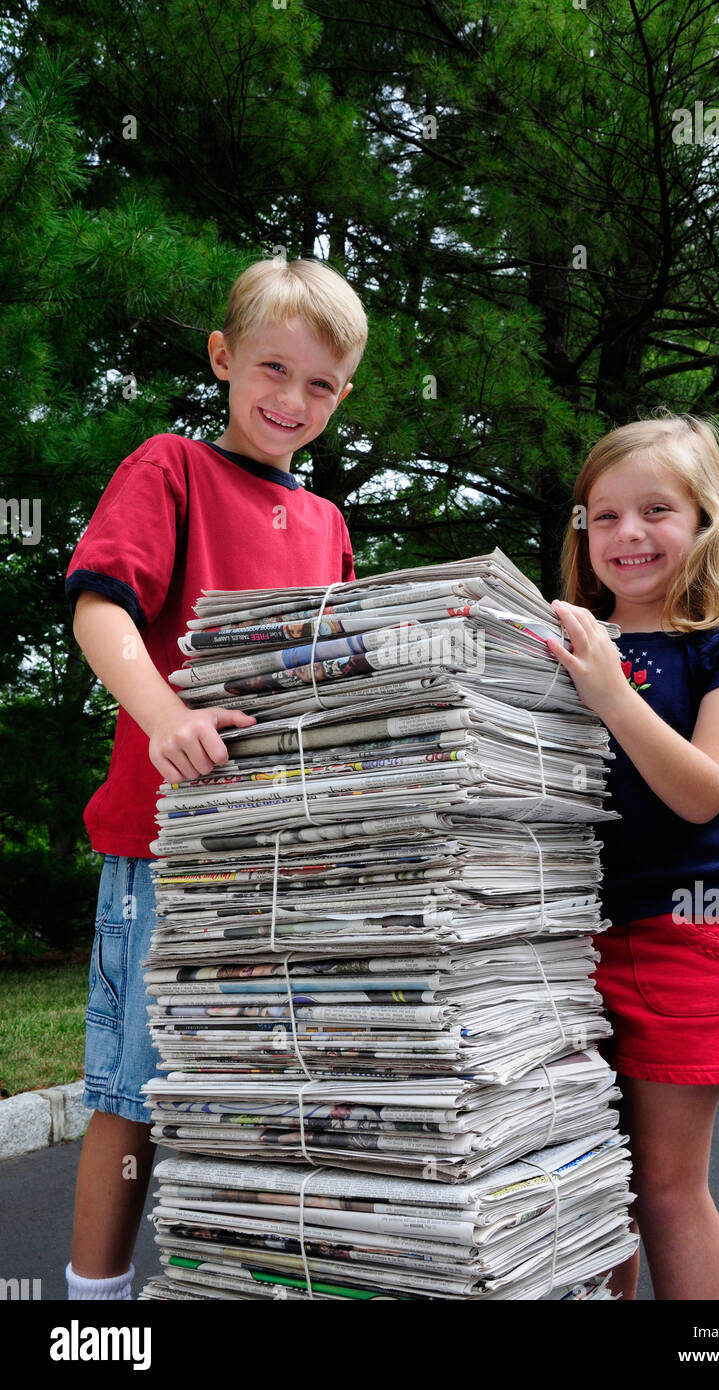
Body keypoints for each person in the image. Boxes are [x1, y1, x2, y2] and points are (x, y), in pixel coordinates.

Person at [64, 256, 367, 1299]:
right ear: (222, 357)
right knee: (134, 1087)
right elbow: (100, 607)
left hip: (286, 854)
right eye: (271, 369)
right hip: (171, 845)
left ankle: (229, 1282)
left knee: (270, 1088)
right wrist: (164, 715)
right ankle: (93, 1308)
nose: (290, 400)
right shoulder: (171, 469)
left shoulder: (327, 525)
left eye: (320, 385)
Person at [545, 412, 719, 1301]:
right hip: (561, 944)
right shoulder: (563, 646)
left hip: (683, 934)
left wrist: (608, 689)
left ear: (704, 523)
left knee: (665, 1187)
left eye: (655, 510)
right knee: (588, 1180)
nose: (627, 534)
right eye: (602, 516)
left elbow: (701, 789)